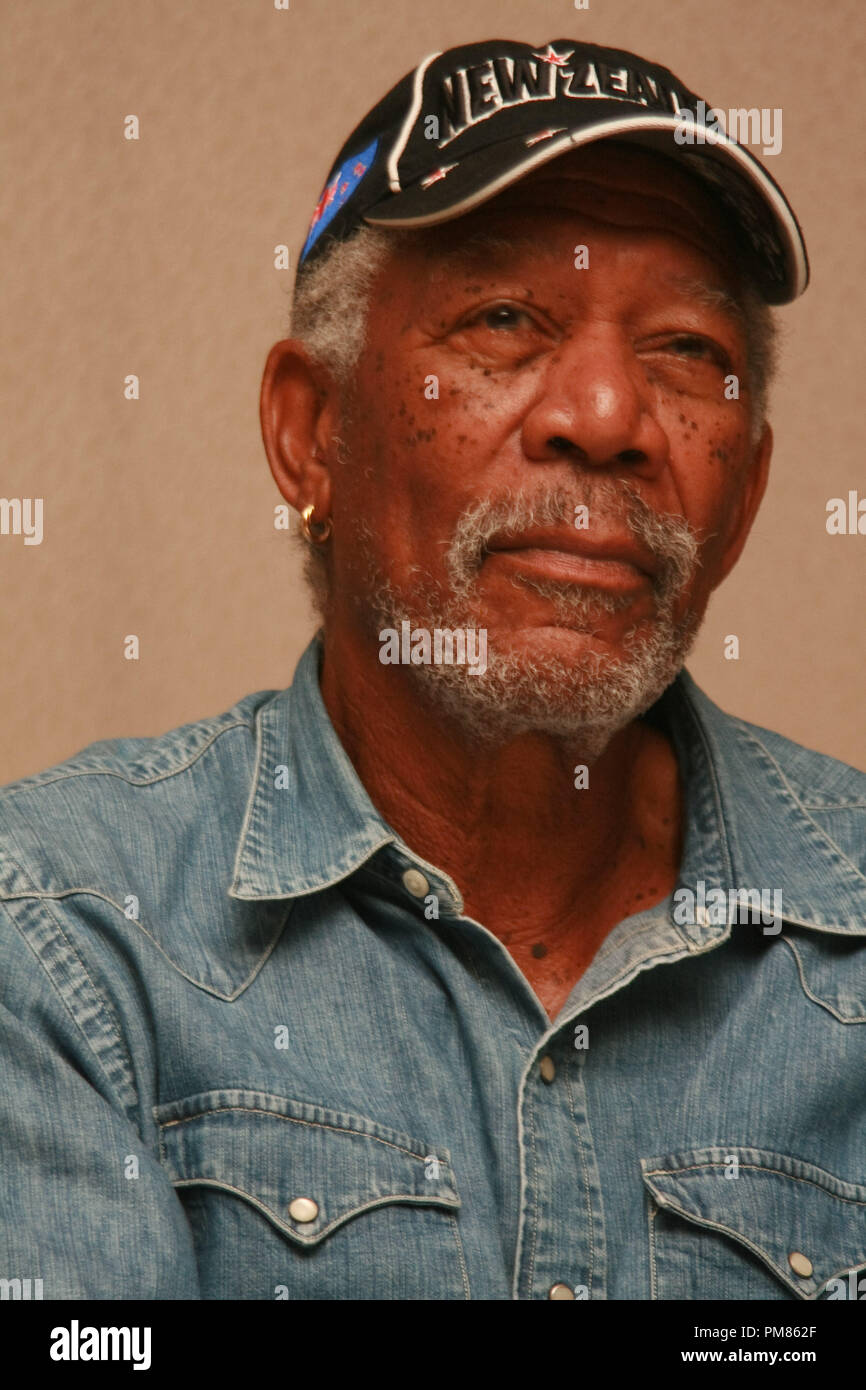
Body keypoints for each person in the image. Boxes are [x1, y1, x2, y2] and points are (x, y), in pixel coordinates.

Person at [1, 37, 864, 1303]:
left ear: (740, 499)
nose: (608, 417)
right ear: (312, 438)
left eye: (681, 348)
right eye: (504, 320)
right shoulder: (65, 936)